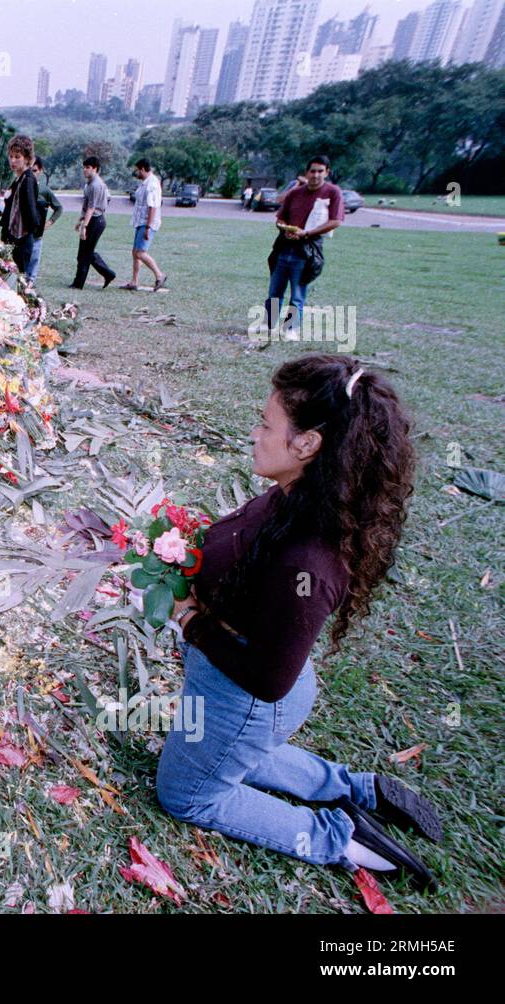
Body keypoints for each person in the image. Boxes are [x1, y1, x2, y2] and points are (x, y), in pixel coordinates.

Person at [158, 355, 440, 889]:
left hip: (245, 696)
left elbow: (266, 680)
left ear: (308, 444)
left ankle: (344, 837)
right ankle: (356, 788)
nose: (255, 432)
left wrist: (191, 621)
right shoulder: (300, 494)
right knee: (232, 750)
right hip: (241, 692)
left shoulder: (308, 560)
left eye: (267, 425)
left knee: (188, 794)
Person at [264, 156, 344, 340]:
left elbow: (336, 221)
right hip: (284, 247)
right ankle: (268, 325)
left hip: (307, 251)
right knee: (275, 291)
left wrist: (307, 233)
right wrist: (286, 229)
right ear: (306, 172)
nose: (315, 175)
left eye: (320, 171)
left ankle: (290, 329)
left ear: (327, 172)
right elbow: (280, 218)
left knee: (297, 294)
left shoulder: (333, 192)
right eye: (312, 171)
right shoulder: (295, 193)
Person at [0, 135, 42, 281]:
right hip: (13, 239)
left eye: (17, 157)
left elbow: (30, 215)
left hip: (20, 242)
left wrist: (22, 236)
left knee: (16, 283)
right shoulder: (19, 178)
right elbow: (14, 211)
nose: (13, 160)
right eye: (11, 156)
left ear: (27, 158)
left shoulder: (28, 180)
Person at [71, 156, 116, 289]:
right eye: (84, 167)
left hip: (96, 220)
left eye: (88, 167)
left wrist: (85, 226)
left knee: (85, 254)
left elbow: (92, 207)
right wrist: (81, 220)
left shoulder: (96, 185)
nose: (85, 170)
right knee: (85, 253)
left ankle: (79, 283)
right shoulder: (89, 183)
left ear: (95, 169)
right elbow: (86, 205)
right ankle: (108, 274)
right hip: (92, 219)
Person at [124, 158, 166, 291]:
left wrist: (148, 227)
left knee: (140, 253)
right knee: (135, 252)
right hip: (140, 222)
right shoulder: (144, 183)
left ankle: (160, 275)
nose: (136, 172)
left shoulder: (152, 184)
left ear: (142, 169)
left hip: (147, 223)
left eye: (136, 169)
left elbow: (153, 207)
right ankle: (134, 282)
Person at [27, 157, 62, 282]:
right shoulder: (21, 187)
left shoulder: (45, 190)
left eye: (35, 170)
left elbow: (59, 208)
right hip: (22, 236)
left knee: (32, 271)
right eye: (29, 170)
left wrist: (49, 222)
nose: (32, 174)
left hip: (37, 237)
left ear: (41, 171)